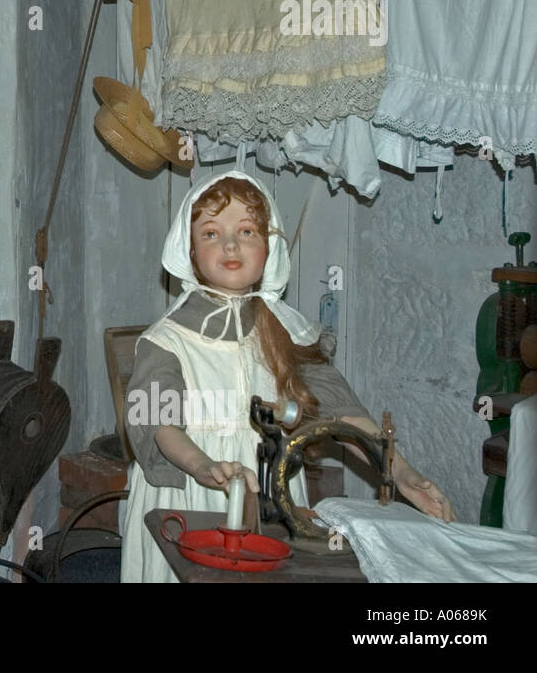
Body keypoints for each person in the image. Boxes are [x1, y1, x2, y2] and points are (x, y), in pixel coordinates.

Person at [120, 169, 452, 582]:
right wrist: (204, 465)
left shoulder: (287, 333)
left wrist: (401, 472)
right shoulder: (167, 341)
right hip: (191, 490)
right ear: (188, 251)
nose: (229, 244)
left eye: (246, 231)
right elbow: (158, 425)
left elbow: (343, 414)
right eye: (210, 233)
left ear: (269, 247)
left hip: (267, 491)